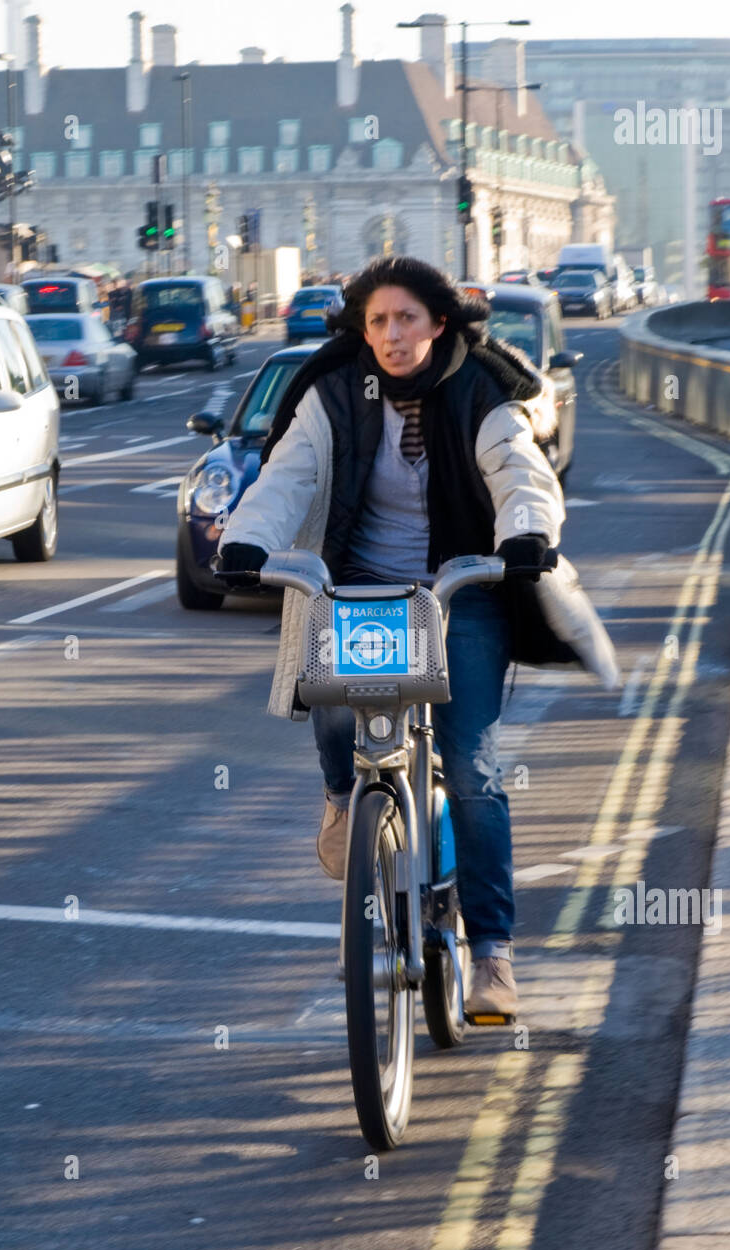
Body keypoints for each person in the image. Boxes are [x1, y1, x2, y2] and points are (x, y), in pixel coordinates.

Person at [217, 255, 617, 1019]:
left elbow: (518, 471)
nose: (392, 336)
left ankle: (492, 953)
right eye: (377, 323)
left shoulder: (478, 388)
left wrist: (527, 534)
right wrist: (247, 541)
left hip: (459, 586)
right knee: (337, 711)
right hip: (362, 586)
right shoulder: (334, 392)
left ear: (439, 323)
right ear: (361, 332)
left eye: (407, 319)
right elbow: (289, 476)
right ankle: (345, 802)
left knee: (471, 767)